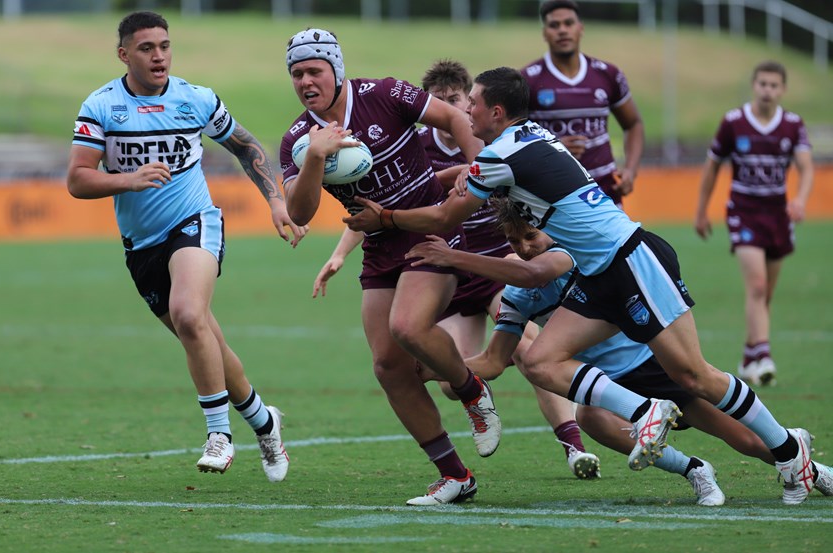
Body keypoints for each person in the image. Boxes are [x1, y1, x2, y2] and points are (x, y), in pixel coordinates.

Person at [345, 66, 819, 505]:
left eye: (473, 102)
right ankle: (651, 415)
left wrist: (386, 217)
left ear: (497, 112)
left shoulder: (499, 155)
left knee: (695, 376)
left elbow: (447, 217)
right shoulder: (525, 138)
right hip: (600, 272)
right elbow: (469, 188)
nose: (466, 110)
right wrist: (434, 370)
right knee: (540, 361)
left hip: (630, 258)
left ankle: (788, 452)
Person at [407, 198, 833, 505]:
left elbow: (537, 270)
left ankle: (812, 469)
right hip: (613, 386)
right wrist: (436, 369)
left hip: (655, 364)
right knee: (590, 418)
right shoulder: (519, 295)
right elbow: (494, 361)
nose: (524, 246)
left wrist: (456, 258)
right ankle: (695, 470)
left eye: (531, 235)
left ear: (549, 228)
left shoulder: (573, 253)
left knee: (746, 441)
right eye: (513, 240)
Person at [312, 59, 599, 480]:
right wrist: (339, 254)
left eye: (455, 99)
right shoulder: (415, 144)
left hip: (495, 265)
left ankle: (574, 445)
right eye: (439, 100)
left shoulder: (489, 141)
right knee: (450, 380)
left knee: (528, 350)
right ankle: (487, 379)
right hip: (446, 267)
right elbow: (377, 207)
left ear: (469, 102)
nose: (448, 107)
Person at [67, 11, 303, 480]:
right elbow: (77, 179)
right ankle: (265, 422)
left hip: (196, 223)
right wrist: (129, 179)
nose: (159, 56)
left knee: (189, 315)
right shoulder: (101, 106)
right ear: (124, 55)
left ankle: (219, 435)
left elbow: (245, 145)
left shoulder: (195, 99)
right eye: (146, 48)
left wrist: (277, 201)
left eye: (165, 46)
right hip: (142, 246)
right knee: (205, 339)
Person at [280, 29, 501, 506]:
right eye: (297, 74)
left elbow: (455, 117)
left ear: (336, 70)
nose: (305, 81)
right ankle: (455, 476)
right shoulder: (298, 141)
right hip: (381, 249)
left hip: (429, 235)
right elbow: (299, 211)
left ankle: (471, 391)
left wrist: (482, 172)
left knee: (407, 327)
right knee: (388, 366)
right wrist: (316, 155)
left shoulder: (382, 93)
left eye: (315, 70)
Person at [695, 60, 814, 387]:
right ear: (754, 85)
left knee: (766, 294)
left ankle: (749, 356)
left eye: (774, 85)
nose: (767, 91)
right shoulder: (733, 122)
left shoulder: (792, 124)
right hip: (744, 211)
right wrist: (701, 210)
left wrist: (800, 199)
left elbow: (806, 167)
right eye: (762, 84)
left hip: (778, 215)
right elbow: (712, 167)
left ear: (783, 89)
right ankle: (763, 355)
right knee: (758, 286)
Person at [521, 0, 644, 207]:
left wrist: (630, 170)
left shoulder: (608, 74)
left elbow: (633, 124)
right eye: (554, 25)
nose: (562, 30)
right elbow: (507, 139)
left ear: (581, 28)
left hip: (605, 194)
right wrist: (550, 148)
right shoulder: (528, 80)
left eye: (569, 23)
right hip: (552, 199)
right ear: (544, 33)